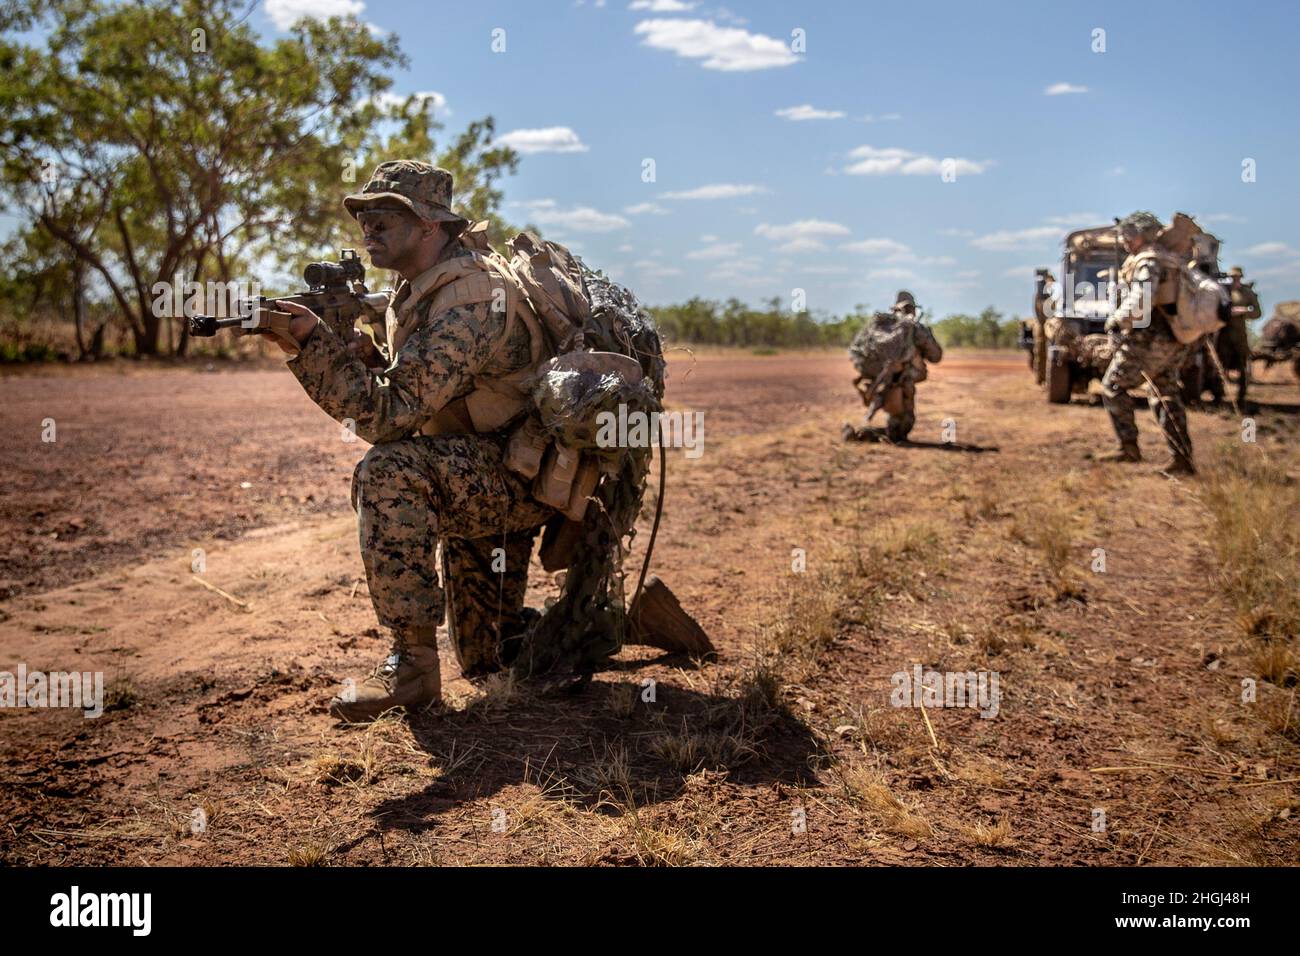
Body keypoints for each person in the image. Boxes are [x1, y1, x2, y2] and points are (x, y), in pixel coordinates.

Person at [270, 160, 556, 721]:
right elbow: (431, 390)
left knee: (387, 470)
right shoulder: (421, 288)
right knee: (491, 659)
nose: (369, 227)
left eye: (386, 216)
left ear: (430, 225)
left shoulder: (473, 297)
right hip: (479, 466)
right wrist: (368, 360)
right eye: (364, 217)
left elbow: (387, 417)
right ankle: (604, 619)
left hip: (514, 476)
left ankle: (414, 669)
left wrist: (308, 345)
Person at [1098, 211, 1195, 476]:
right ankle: (1182, 459)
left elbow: (1142, 299)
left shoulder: (1147, 261)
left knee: (1113, 387)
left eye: (1128, 235)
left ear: (1139, 235)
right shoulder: (1169, 258)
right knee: (1165, 394)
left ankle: (1128, 448)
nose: (1125, 241)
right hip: (1173, 340)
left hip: (1148, 340)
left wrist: (1116, 321)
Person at [846, 290, 943, 442]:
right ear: (913, 309)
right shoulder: (914, 328)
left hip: (879, 378)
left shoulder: (880, 326)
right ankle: (868, 433)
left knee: (891, 414)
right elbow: (936, 356)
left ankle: (864, 431)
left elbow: (857, 350)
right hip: (902, 380)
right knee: (903, 424)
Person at [1219, 265, 1261, 408]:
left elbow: (1257, 313)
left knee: (1242, 367)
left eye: (1236, 277)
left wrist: (1244, 311)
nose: (1234, 280)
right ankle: (1218, 396)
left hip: (1239, 335)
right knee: (1219, 366)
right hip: (1222, 334)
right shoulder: (1221, 291)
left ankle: (1241, 397)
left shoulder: (1247, 293)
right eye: (1232, 277)